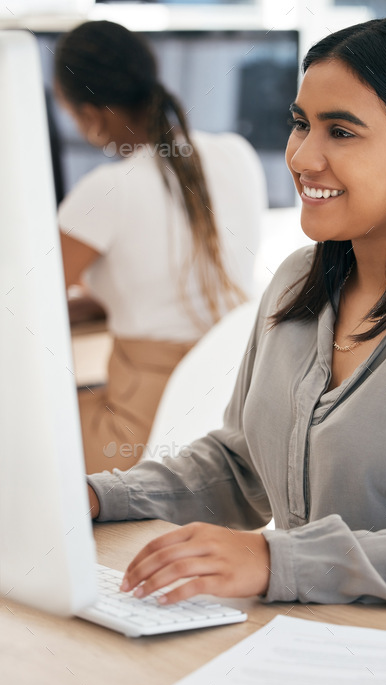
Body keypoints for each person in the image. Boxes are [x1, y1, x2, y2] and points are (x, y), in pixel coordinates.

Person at [87, 13, 386, 623]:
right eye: (300, 124)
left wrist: (275, 560)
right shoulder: (299, 280)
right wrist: (98, 496)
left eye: (341, 132)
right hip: (324, 627)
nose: (302, 156)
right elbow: (240, 470)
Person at [54, 21, 267, 474]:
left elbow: (26, 305)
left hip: (144, 435)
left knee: (26, 426)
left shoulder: (106, 190)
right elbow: (167, 284)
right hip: (238, 418)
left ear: (90, 117)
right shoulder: (237, 154)